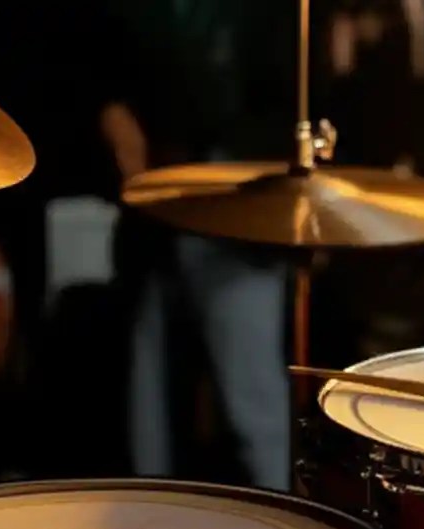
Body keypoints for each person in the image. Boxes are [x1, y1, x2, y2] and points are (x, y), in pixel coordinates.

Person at [100, 1, 293, 492]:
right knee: (150, 423)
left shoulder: (272, 20)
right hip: (153, 218)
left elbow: (283, 101)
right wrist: (110, 106)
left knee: (255, 418)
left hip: (240, 219)